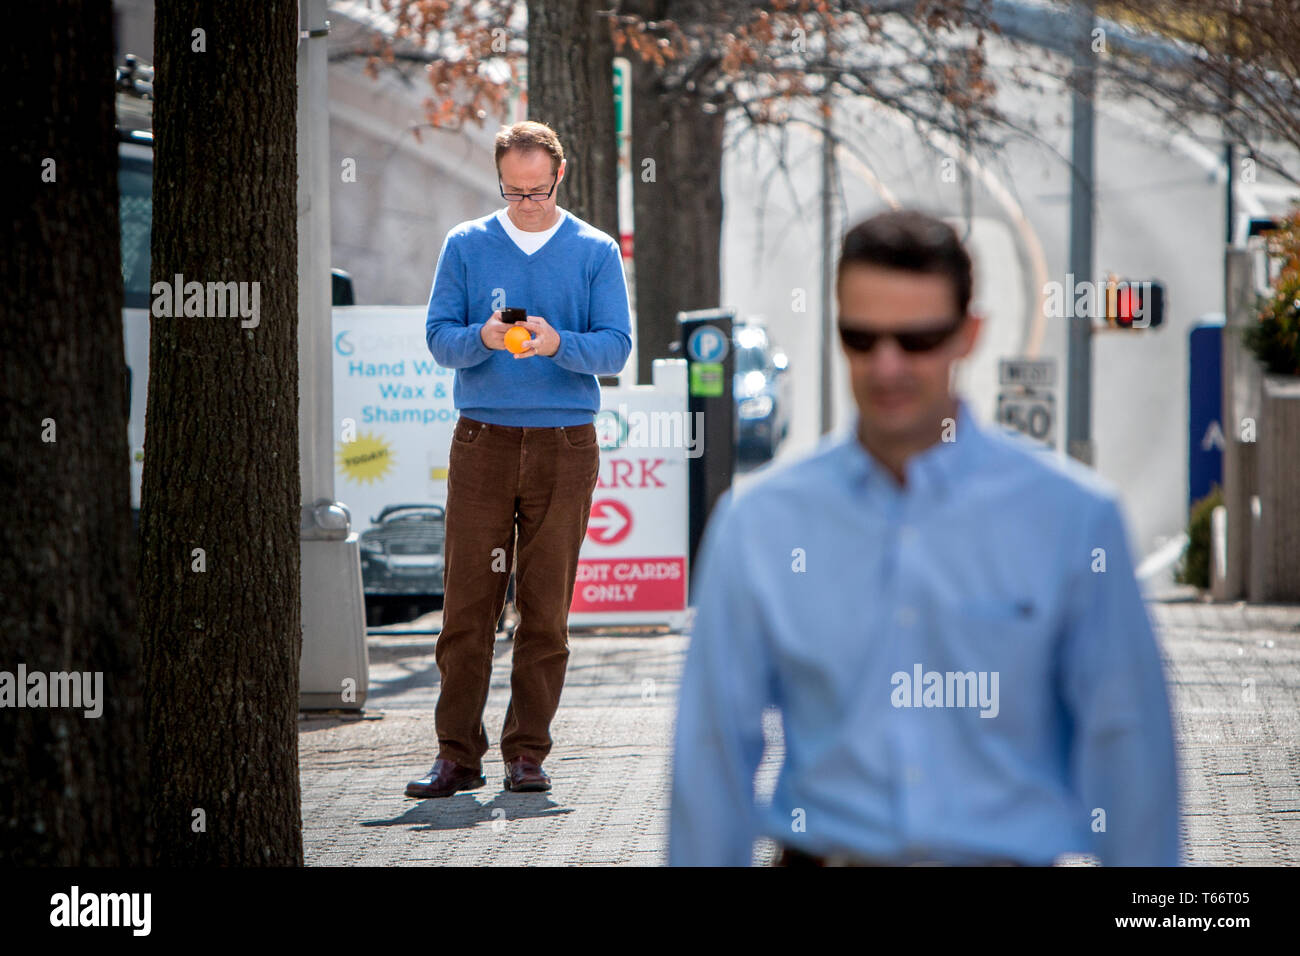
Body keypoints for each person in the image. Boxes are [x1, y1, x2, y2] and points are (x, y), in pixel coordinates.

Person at [668, 209, 1180, 866]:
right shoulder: (761, 524)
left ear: (969, 335)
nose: (887, 367)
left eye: (917, 340)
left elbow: (1129, 755)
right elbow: (712, 759)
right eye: (861, 337)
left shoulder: (1074, 520)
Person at [405, 121, 632, 798]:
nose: (525, 202)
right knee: (467, 608)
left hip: (565, 443)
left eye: (536, 191)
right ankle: (456, 755)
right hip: (483, 440)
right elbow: (439, 340)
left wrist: (560, 342)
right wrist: (482, 335)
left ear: (559, 176)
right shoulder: (468, 245)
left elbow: (616, 349)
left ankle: (526, 753)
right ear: (500, 180)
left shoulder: (592, 251)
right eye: (513, 190)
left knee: (544, 611)